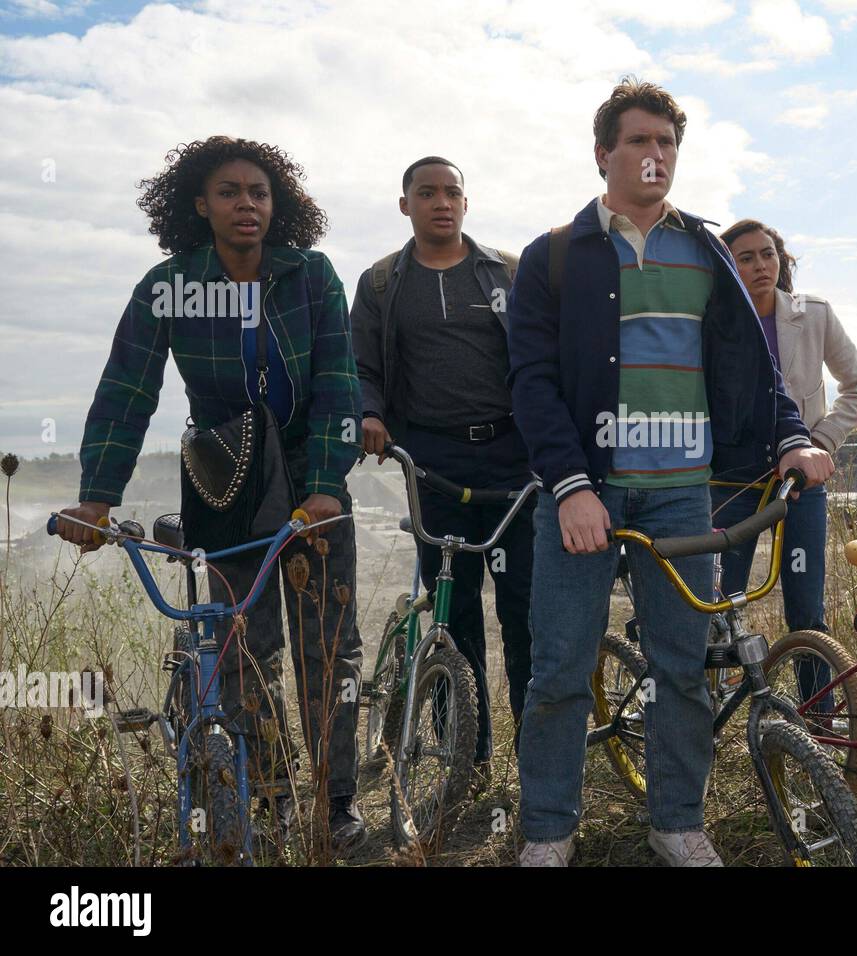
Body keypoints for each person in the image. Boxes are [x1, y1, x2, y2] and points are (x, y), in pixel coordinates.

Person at [507, 78, 834, 867]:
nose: (656, 155)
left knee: (685, 668)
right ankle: (549, 830)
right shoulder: (552, 256)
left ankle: (676, 821)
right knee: (557, 669)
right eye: (640, 141)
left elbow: (754, 368)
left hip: (685, 496)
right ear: (603, 154)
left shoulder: (706, 250)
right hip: (585, 493)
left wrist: (792, 436)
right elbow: (531, 382)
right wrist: (572, 484)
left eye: (668, 143)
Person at [55, 136, 367, 854]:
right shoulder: (168, 284)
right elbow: (129, 389)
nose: (247, 204)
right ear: (201, 205)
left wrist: (323, 488)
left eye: (259, 192)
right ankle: (270, 796)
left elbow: (337, 385)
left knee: (329, 646)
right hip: (225, 474)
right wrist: (97, 497)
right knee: (237, 648)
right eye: (230, 192)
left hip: (308, 474)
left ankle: (336, 801)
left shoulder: (311, 275)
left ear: (275, 203)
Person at [351, 156, 532, 783]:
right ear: (406, 204)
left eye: (452, 191)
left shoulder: (508, 272)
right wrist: (370, 414)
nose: (441, 202)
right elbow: (364, 370)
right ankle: (467, 761)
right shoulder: (380, 284)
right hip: (432, 466)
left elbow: (542, 357)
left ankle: (538, 759)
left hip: (514, 461)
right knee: (454, 618)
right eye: (426, 192)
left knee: (525, 612)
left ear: (465, 202)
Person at [712, 220, 857, 641]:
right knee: (721, 607)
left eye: (768, 253)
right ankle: (715, 701)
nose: (762, 265)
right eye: (746, 257)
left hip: (800, 481)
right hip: (730, 481)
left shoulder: (813, 313)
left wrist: (818, 442)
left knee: (808, 615)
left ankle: (818, 709)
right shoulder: (713, 323)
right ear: (728, 265)